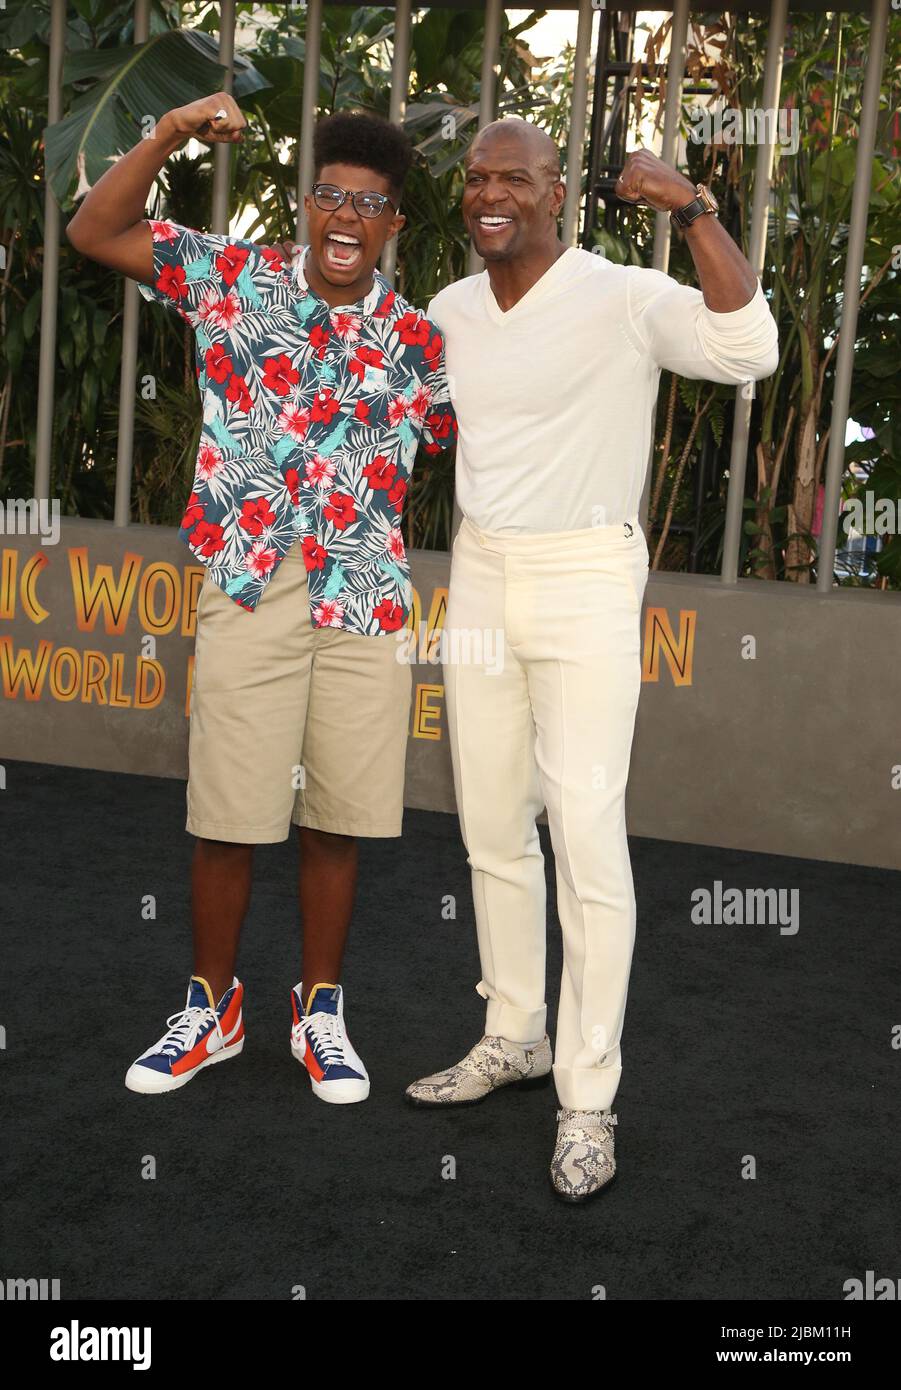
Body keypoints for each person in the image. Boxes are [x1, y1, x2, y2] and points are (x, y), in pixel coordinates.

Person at [403, 118, 779, 1200]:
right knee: (487, 825)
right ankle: (514, 1032)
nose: (490, 193)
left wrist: (690, 207)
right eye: (476, 177)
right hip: (478, 573)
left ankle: (586, 1096)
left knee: (583, 834)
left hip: (584, 576)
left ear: (556, 192)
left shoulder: (621, 292)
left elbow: (749, 347)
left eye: (513, 177)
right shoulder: (449, 311)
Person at [66, 100, 455, 1104]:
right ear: (303, 206)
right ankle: (212, 1006)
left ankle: (318, 1008)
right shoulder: (233, 282)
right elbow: (93, 229)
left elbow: (505, 428)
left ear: (391, 226)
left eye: (368, 205)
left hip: (364, 594)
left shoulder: (422, 341)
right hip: (249, 584)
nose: (345, 216)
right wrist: (166, 134)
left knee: (336, 817)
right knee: (229, 813)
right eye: (329, 194)